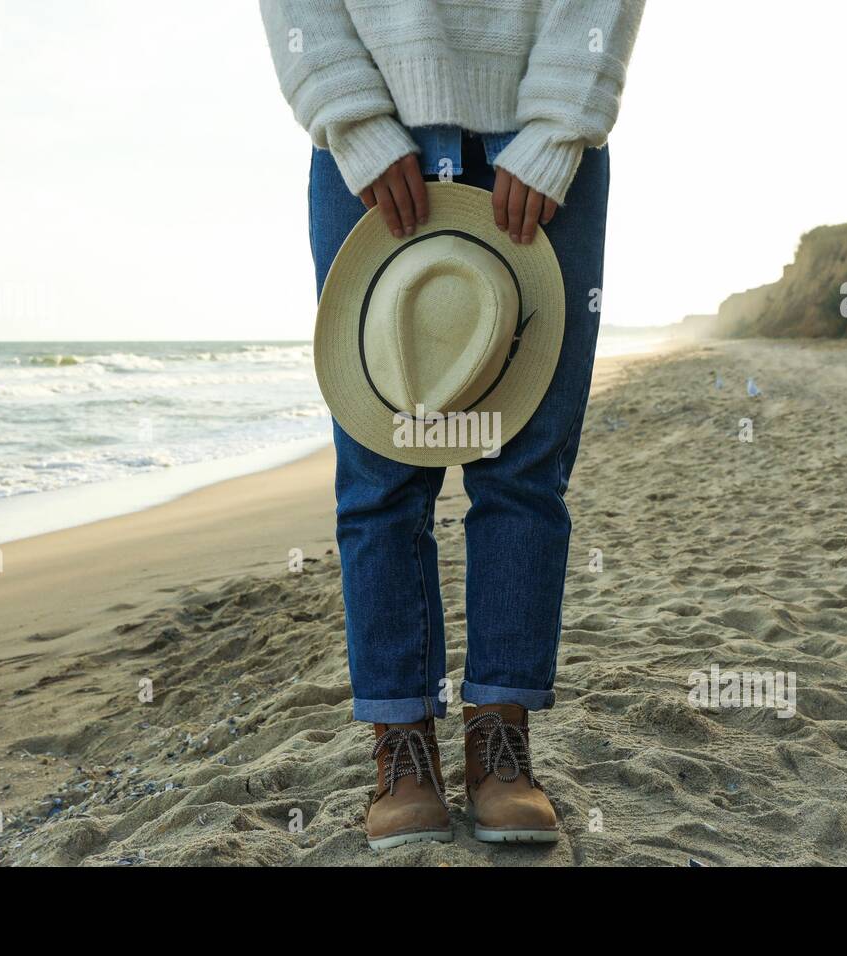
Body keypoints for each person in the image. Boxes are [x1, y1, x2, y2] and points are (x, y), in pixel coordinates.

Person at [260, 0, 643, 849]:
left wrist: (559, 126)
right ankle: (402, 749)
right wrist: (350, 117)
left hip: (540, 136)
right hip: (373, 132)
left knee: (525, 468)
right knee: (380, 473)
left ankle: (500, 745)